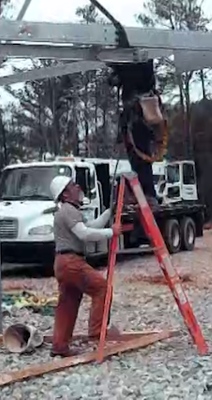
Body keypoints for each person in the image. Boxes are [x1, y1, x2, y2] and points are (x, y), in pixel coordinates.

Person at [49, 175, 121, 357]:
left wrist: (108, 213)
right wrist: (111, 232)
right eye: (72, 185)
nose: (77, 187)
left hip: (62, 263)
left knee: (68, 303)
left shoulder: (66, 211)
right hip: (72, 262)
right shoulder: (68, 210)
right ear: (64, 194)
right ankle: (97, 332)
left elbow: (91, 226)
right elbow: (85, 234)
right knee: (102, 288)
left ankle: (59, 345)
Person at [108, 60, 163, 210]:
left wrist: (117, 68)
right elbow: (114, 80)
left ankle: (149, 193)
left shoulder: (140, 62)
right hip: (134, 115)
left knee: (140, 156)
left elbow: (126, 78)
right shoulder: (135, 67)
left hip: (138, 115)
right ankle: (147, 192)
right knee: (137, 157)